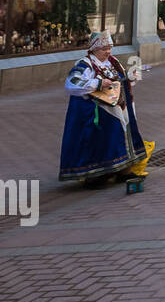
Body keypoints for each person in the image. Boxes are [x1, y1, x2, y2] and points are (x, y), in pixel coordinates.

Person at [59, 31, 149, 186]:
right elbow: (72, 83)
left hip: (116, 107)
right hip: (95, 112)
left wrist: (130, 76)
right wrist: (97, 83)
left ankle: (122, 171)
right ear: (94, 49)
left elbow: (120, 79)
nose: (107, 51)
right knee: (101, 140)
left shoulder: (112, 62)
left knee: (120, 136)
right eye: (103, 49)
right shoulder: (85, 64)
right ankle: (97, 175)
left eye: (109, 48)